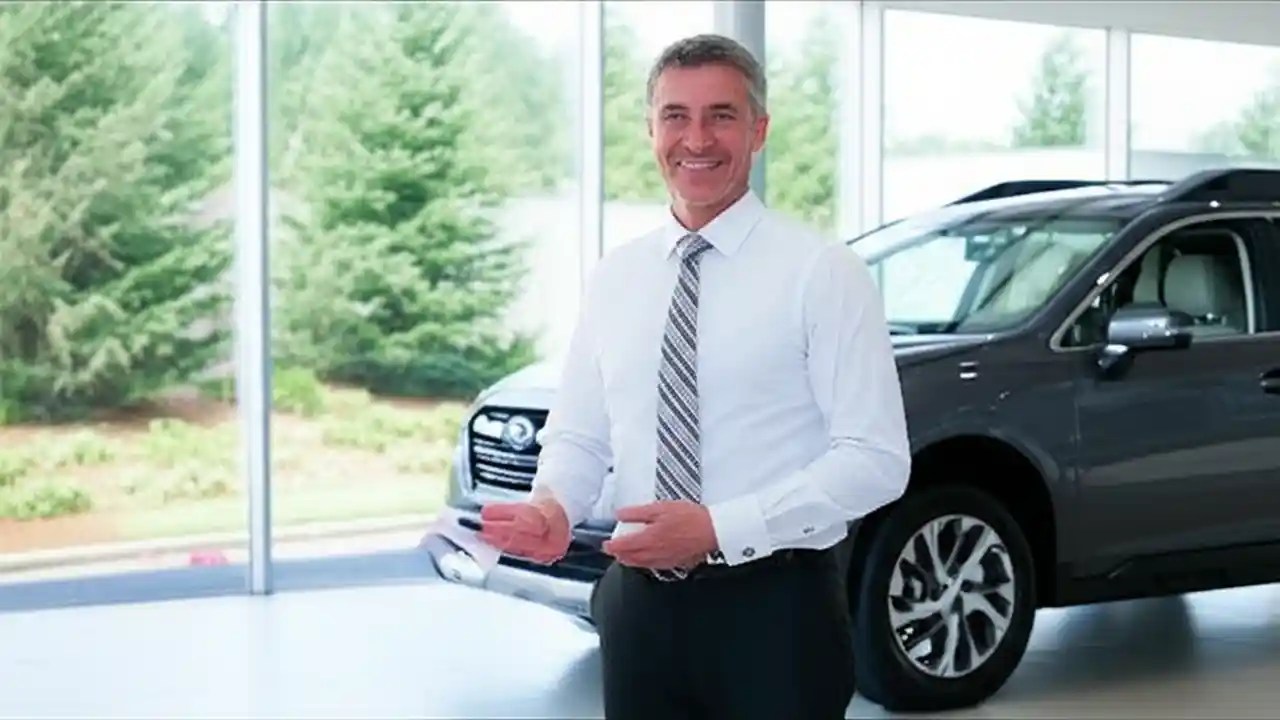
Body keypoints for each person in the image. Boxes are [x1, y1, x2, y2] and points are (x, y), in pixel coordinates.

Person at [477, 33, 911, 720]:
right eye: (676, 115)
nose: (697, 138)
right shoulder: (616, 276)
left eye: (722, 115)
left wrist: (718, 527)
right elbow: (583, 436)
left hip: (776, 613)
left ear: (759, 130)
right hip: (636, 610)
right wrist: (553, 504)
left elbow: (877, 460)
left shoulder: (822, 273)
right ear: (651, 129)